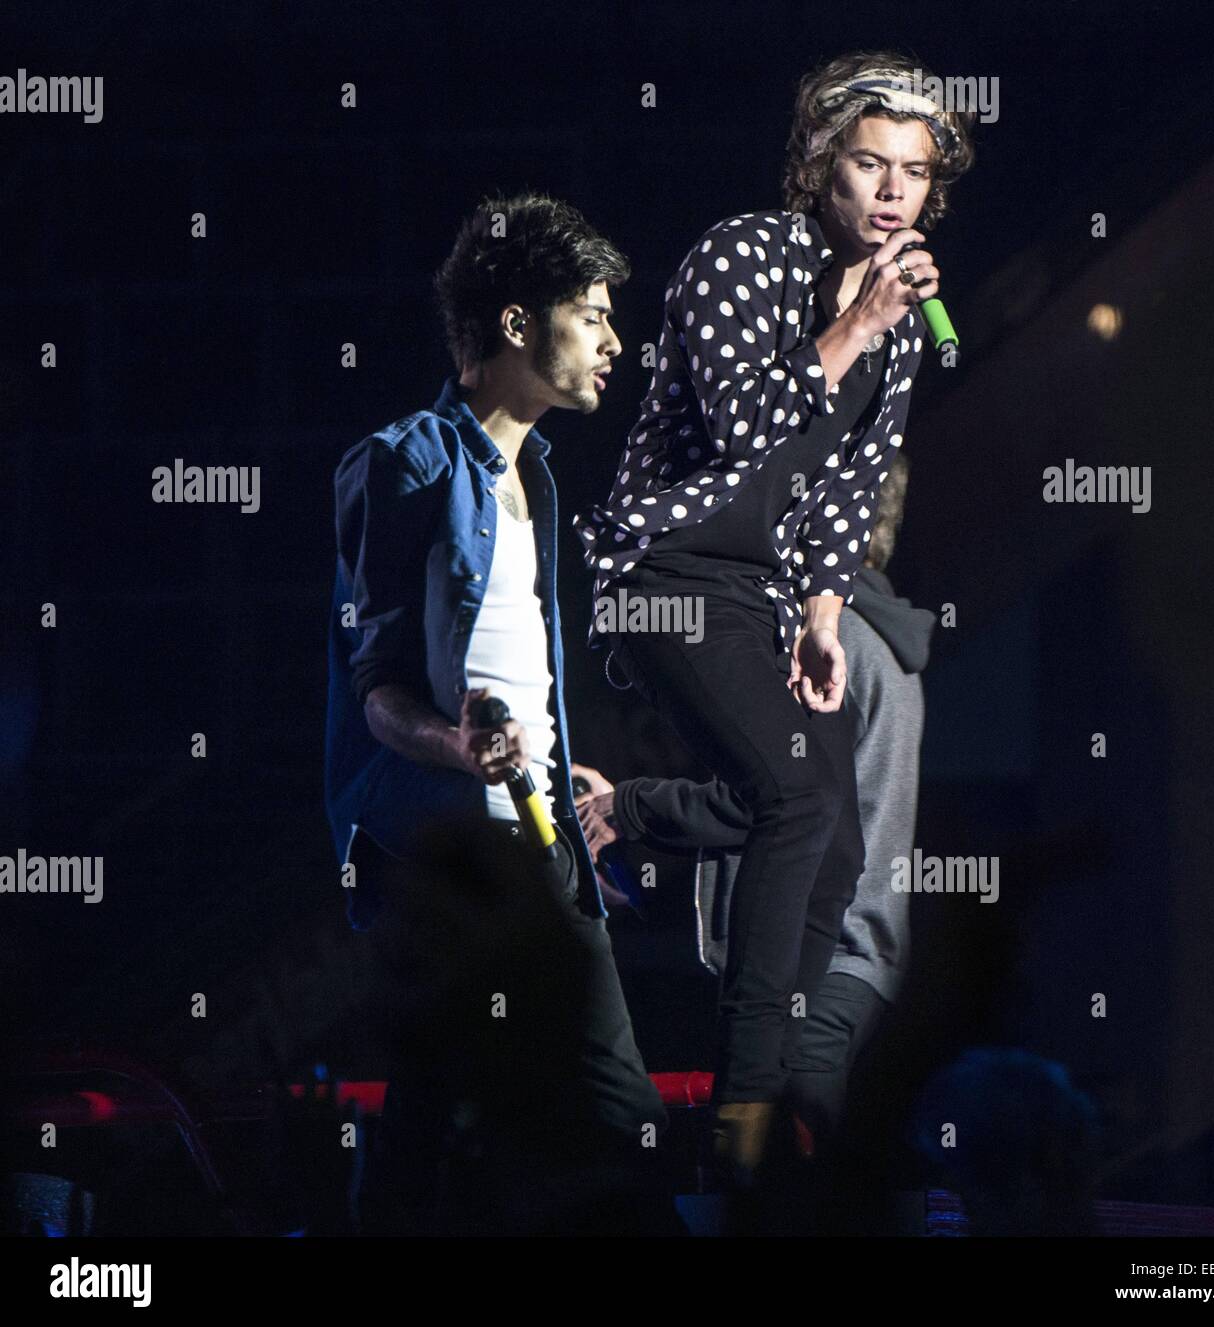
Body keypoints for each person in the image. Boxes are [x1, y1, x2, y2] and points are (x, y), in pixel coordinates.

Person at [573, 51, 974, 1186]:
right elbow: (746, 427)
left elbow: (849, 492)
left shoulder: (900, 323)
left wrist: (823, 616)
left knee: (830, 829)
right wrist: (854, 328)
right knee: (797, 794)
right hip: (667, 562)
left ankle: (780, 1076)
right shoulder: (741, 256)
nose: (891, 193)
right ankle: (746, 1122)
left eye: (912, 174)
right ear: (819, 167)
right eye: (867, 165)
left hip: (761, 591)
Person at [324, 191, 677, 1232]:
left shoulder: (544, 476)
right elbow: (374, 688)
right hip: (447, 865)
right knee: (438, 1134)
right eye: (595, 314)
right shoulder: (401, 463)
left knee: (603, 1116)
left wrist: (556, 762)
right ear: (519, 323)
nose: (617, 339)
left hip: (543, 843)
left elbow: (514, 670)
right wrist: (460, 747)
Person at [576, 456, 936, 1161]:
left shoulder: (825, 644)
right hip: (851, 961)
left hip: (825, 963)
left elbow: (775, 801)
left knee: (781, 1171)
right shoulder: (881, 640)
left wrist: (625, 805)